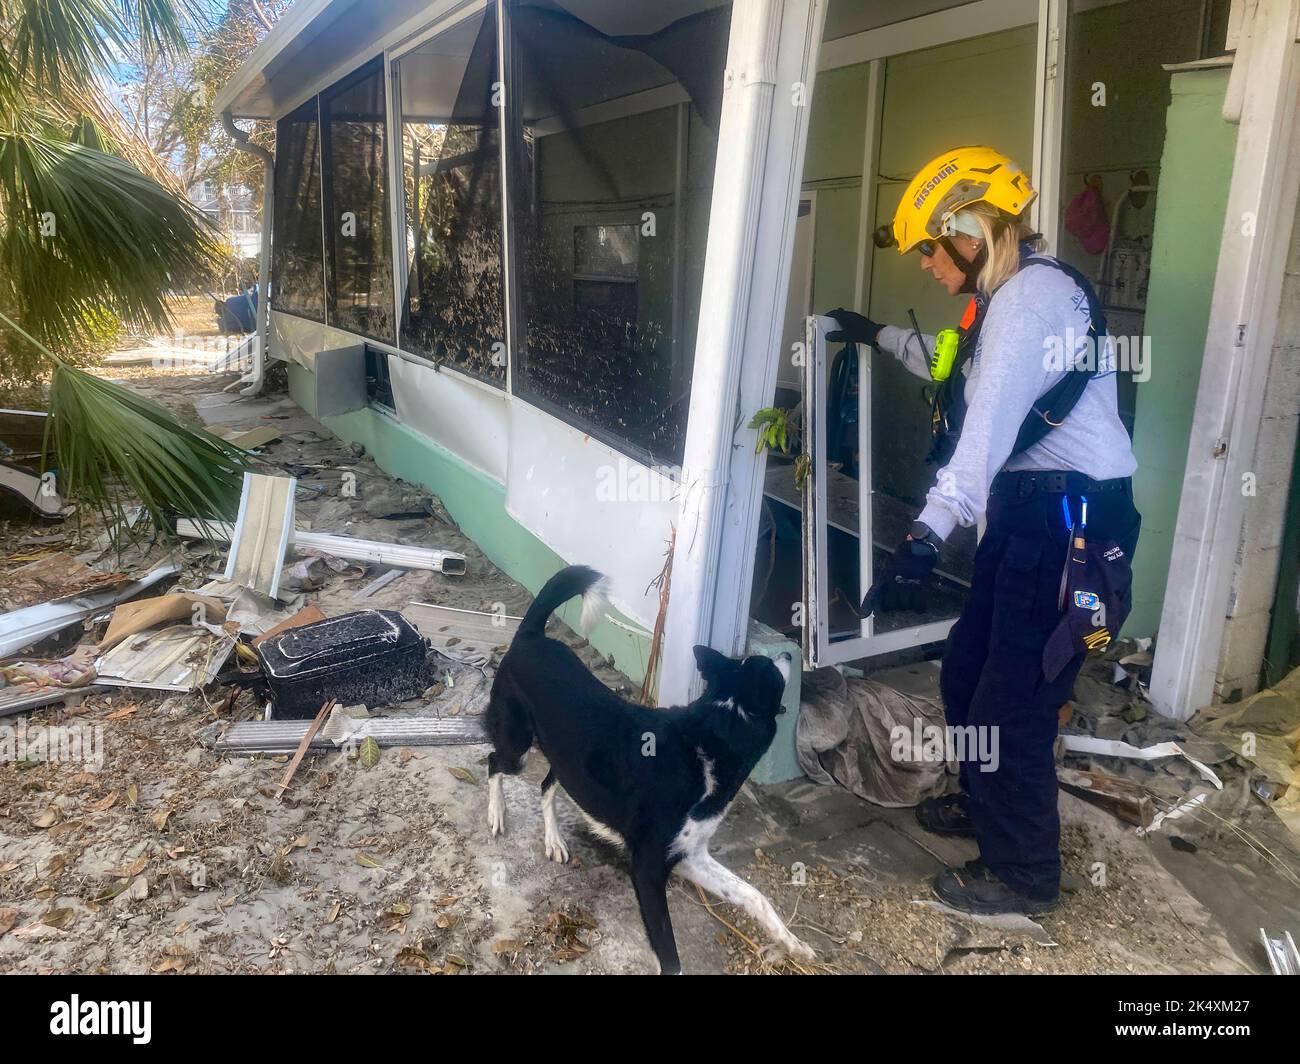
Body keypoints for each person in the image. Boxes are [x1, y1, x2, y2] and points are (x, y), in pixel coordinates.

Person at [824, 145, 1141, 916]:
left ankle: (1025, 876)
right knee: (968, 673)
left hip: (1070, 526)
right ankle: (987, 804)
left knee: (1014, 705)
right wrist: (871, 335)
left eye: (929, 249)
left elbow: (984, 436)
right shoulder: (1002, 304)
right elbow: (954, 378)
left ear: (968, 227)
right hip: (1035, 519)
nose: (927, 265)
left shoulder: (1029, 302)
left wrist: (925, 537)